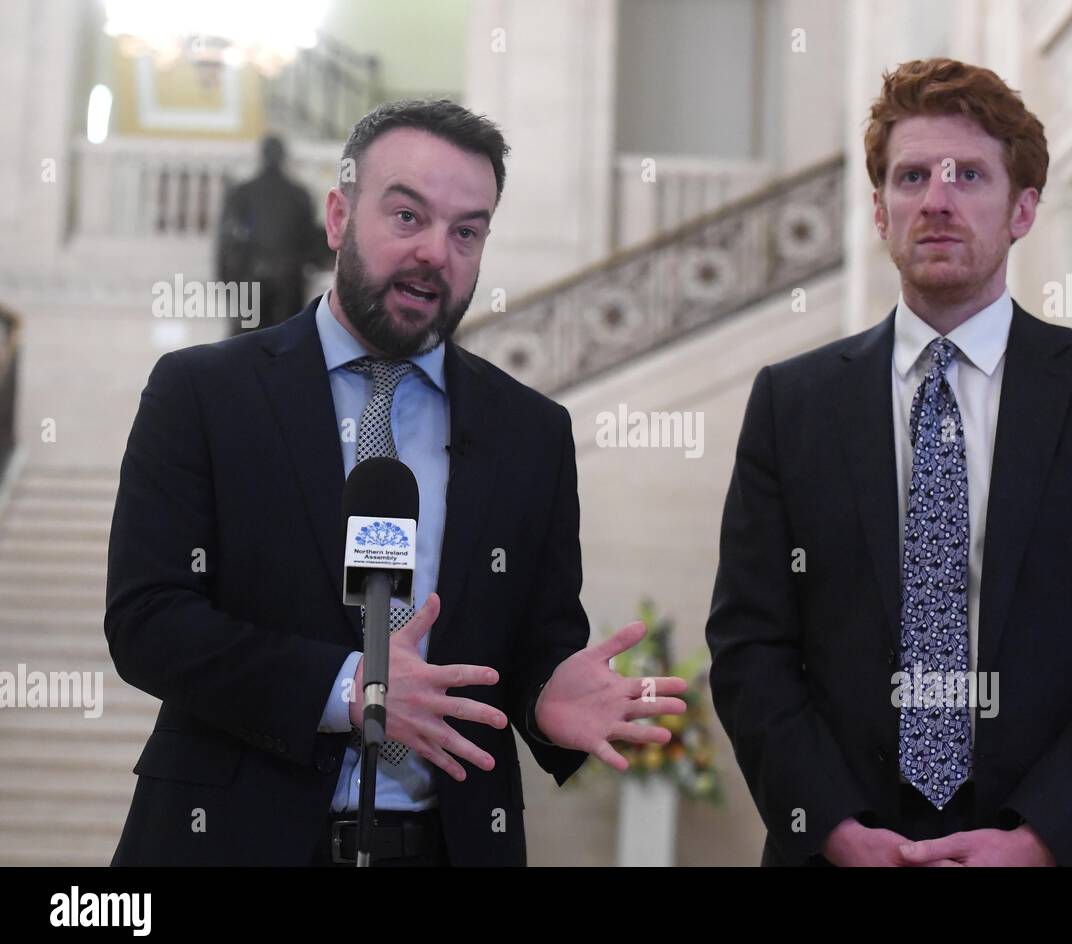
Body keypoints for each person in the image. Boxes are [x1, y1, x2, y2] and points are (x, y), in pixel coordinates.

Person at [107, 99, 686, 866]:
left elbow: (535, 640)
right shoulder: (203, 393)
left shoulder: (531, 432)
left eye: (467, 231)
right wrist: (353, 687)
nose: (436, 253)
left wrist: (546, 698)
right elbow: (149, 622)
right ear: (340, 216)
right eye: (408, 216)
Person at [706, 58, 1072, 867]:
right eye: (912, 177)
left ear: (1022, 209)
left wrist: (1042, 835)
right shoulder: (790, 403)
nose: (936, 201)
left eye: (968, 176)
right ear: (879, 210)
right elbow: (749, 647)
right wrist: (831, 828)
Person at [216, 134, 328, 337]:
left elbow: (227, 241)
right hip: (288, 283)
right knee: (283, 346)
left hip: (252, 281)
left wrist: (225, 278)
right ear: (283, 157)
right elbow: (311, 243)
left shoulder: (243, 193)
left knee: (243, 347)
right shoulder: (299, 195)